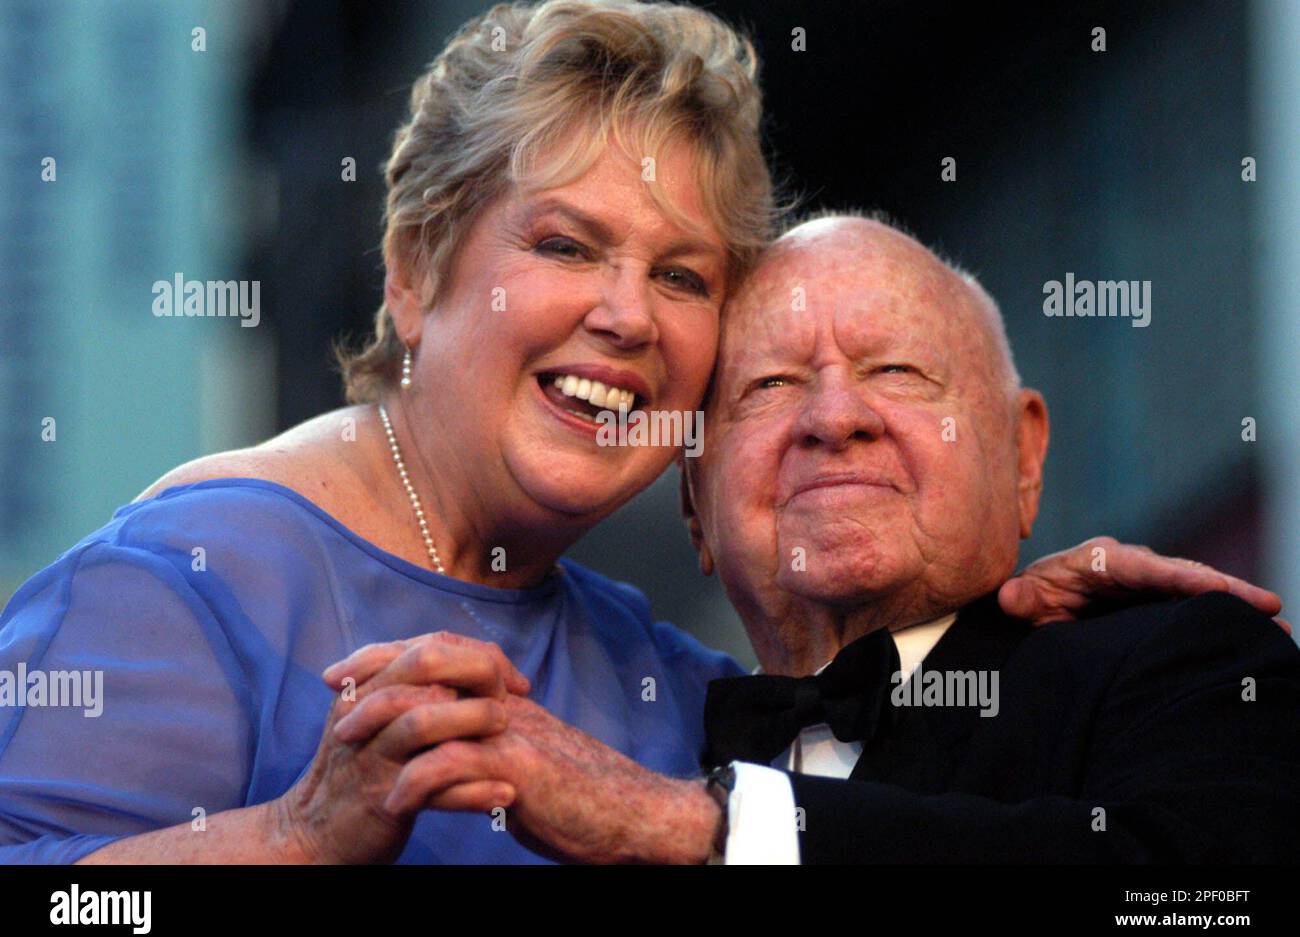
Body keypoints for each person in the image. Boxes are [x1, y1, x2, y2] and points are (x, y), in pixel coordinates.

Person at [0, 1, 1280, 865]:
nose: (624, 315)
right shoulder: (188, 583)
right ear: (413, 270)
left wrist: (993, 609)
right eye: (565, 246)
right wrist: (290, 838)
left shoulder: (677, 682)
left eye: (680, 277)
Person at [340, 214, 1299, 864]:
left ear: (1023, 457)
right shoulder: (638, 729)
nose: (835, 418)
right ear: (695, 505)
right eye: (771, 387)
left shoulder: (1186, 657)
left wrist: (707, 829)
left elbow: (1204, 905)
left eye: (898, 371)